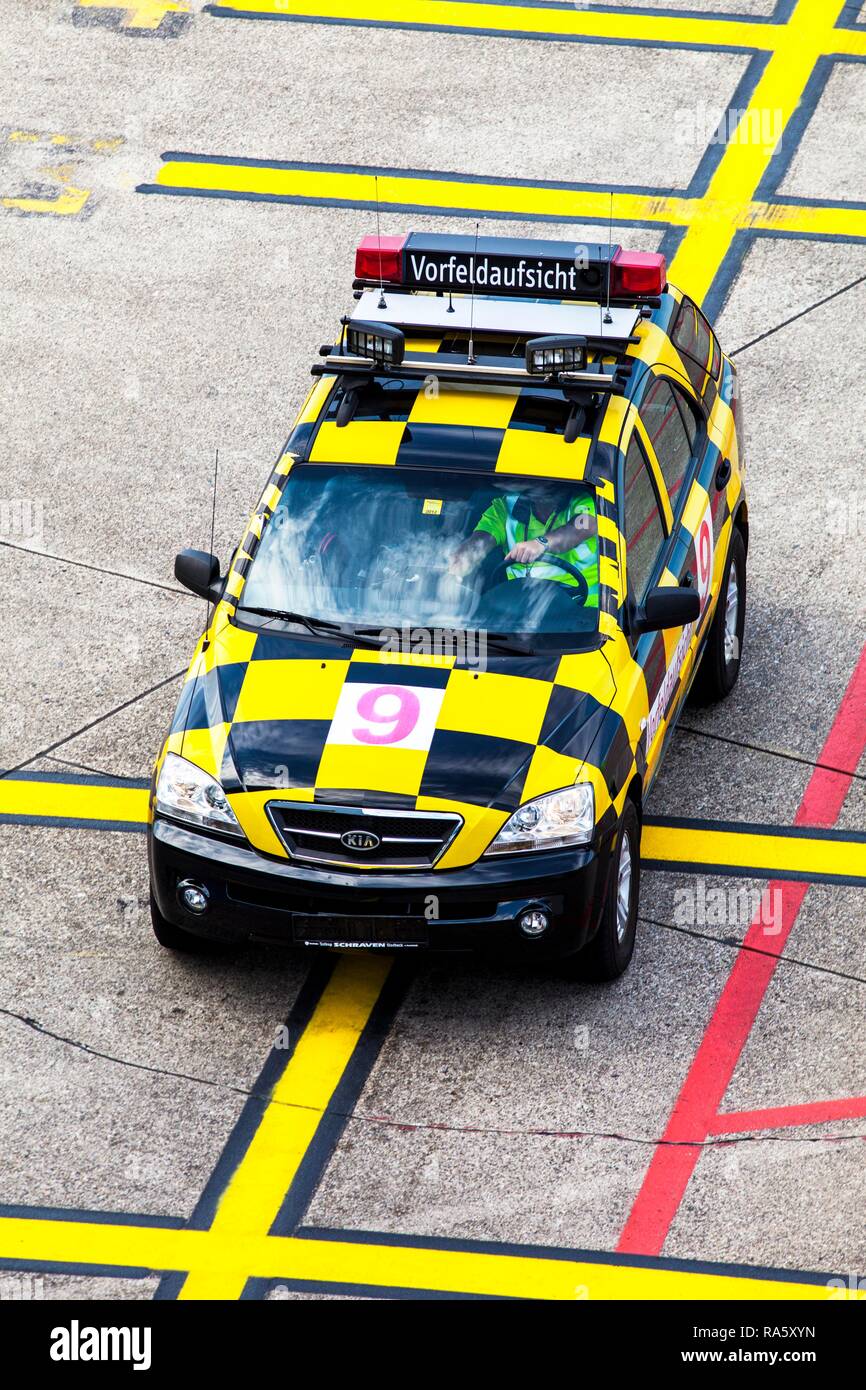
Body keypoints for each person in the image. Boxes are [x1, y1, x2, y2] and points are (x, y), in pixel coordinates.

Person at [448, 482, 599, 605]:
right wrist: (463, 557)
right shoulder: (505, 508)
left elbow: (579, 529)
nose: (544, 490)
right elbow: (479, 540)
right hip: (519, 610)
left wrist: (541, 543)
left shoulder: (583, 501)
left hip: (582, 613)